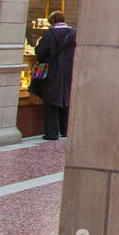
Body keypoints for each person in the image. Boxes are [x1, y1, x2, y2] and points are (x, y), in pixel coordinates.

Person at [34, 11, 76, 141]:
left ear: (52, 22)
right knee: (66, 99)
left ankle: (52, 132)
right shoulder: (74, 33)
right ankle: (66, 129)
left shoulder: (50, 34)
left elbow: (40, 52)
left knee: (51, 101)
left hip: (52, 71)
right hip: (69, 71)